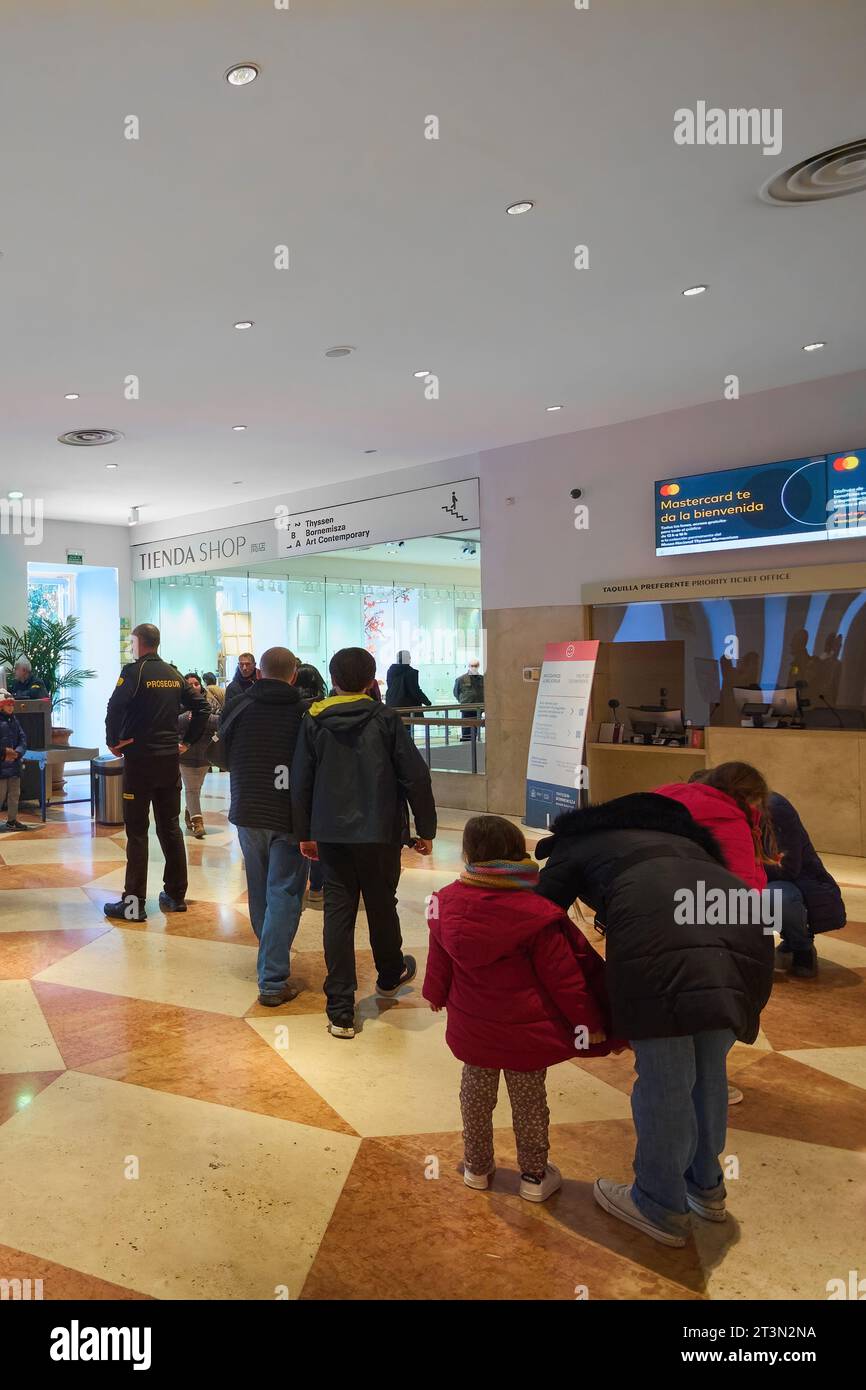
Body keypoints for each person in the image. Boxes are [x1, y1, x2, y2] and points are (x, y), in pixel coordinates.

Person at [535, 791, 774, 1247]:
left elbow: (538, 912)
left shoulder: (579, 842)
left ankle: (658, 1203)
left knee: (665, 1076)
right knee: (707, 1070)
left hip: (660, 944)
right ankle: (705, 1187)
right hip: (745, 939)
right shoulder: (691, 846)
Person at [423, 814, 619, 1201]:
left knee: (474, 1099)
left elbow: (439, 957)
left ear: (468, 855)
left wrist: (435, 993)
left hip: (473, 1030)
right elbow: (565, 979)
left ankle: (477, 1168)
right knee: (530, 1104)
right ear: (518, 854)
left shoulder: (442, 902)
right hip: (525, 1034)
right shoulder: (537, 913)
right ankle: (533, 1176)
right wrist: (589, 1022)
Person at [291, 646, 437, 1038]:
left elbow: (301, 780)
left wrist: (304, 832)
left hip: (331, 833)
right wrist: (426, 828)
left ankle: (340, 1008)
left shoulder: (314, 720)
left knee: (338, 910)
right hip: (380, 832)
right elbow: (415, 777)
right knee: (380, 902)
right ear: (373, 681)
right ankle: (389, 974)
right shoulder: (386, 719)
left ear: (333, 681)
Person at [104, 623, 209, 922]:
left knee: (137, 832)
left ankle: (134, 905)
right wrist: (187, 742)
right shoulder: (173, 673)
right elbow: (200, 706)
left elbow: (115, 707)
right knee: (170, 826)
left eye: (132, 642)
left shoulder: (134, 672)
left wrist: (113, 742)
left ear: (139, 643)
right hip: (167, 762)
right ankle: (175, 896)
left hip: (140, 761)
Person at [221, 646, 308, 1006]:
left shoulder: (239, 707)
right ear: (294, 675)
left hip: (247, 811)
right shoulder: (304, 713)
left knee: (259, 888)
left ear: (258, 672)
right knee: (285, 891)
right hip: (288, 816)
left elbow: (222, 756)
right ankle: (272, 978)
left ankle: (269, 954)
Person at [653, 762, 775, 893]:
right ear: (753, 798)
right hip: (695, 905)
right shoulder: (731, 824)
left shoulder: (663, 799)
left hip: (642, 891)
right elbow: (743, 893)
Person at [767, 790, 846, 980]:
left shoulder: (774, 809)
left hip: (790, 883)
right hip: (751, 877)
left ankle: (801, 946)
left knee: (775, 896)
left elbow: (788, 867)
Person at [178, 673, 221, 839]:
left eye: (196, 683)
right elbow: (171, 722)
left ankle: (190, 813)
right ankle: (198, 822)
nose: (194, 687)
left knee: (197, 787)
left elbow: (220, 721)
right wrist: (186, 717)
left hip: (205, 754)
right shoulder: (178, 702)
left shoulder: (211, 703)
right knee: (192, 788)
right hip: (185, 755)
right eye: (190, 684)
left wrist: (201, 717)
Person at [0, 689, 31, 832]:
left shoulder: (14, 721)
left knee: (14, 795)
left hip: (14, 765)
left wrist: (18, 752)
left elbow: (22, 738)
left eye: (12, 705)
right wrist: (4, 753)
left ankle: (12, 820)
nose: (11, 707)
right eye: (8, 705)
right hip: (2, 766)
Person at [453, 659, 484, 741]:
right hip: (467, 708)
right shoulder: (461, 679)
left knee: (476, 728)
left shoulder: (482, 679)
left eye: (476, 666)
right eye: (472, 666)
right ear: (469, 666)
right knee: (467, 730)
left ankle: (474, 742)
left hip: (478, 708)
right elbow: (456, 693)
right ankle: (466, 742)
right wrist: (464, 701)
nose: (474, 668)